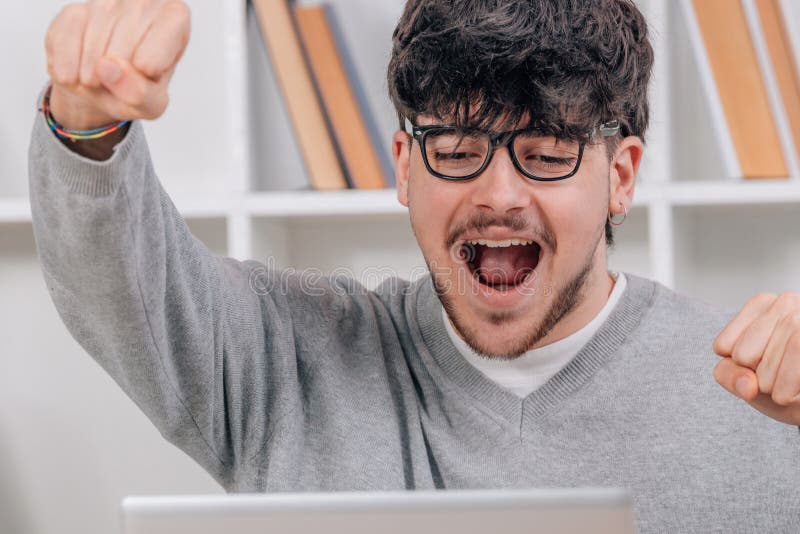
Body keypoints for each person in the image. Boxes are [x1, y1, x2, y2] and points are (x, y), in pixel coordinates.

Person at [30, 0, 800, 531]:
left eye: (546, 155)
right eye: (457, 151)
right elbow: (122, 287)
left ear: (621, 176)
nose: (499, 196)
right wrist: (87, 118)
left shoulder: (763, 395)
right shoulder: (286, 363)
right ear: (403, 167)